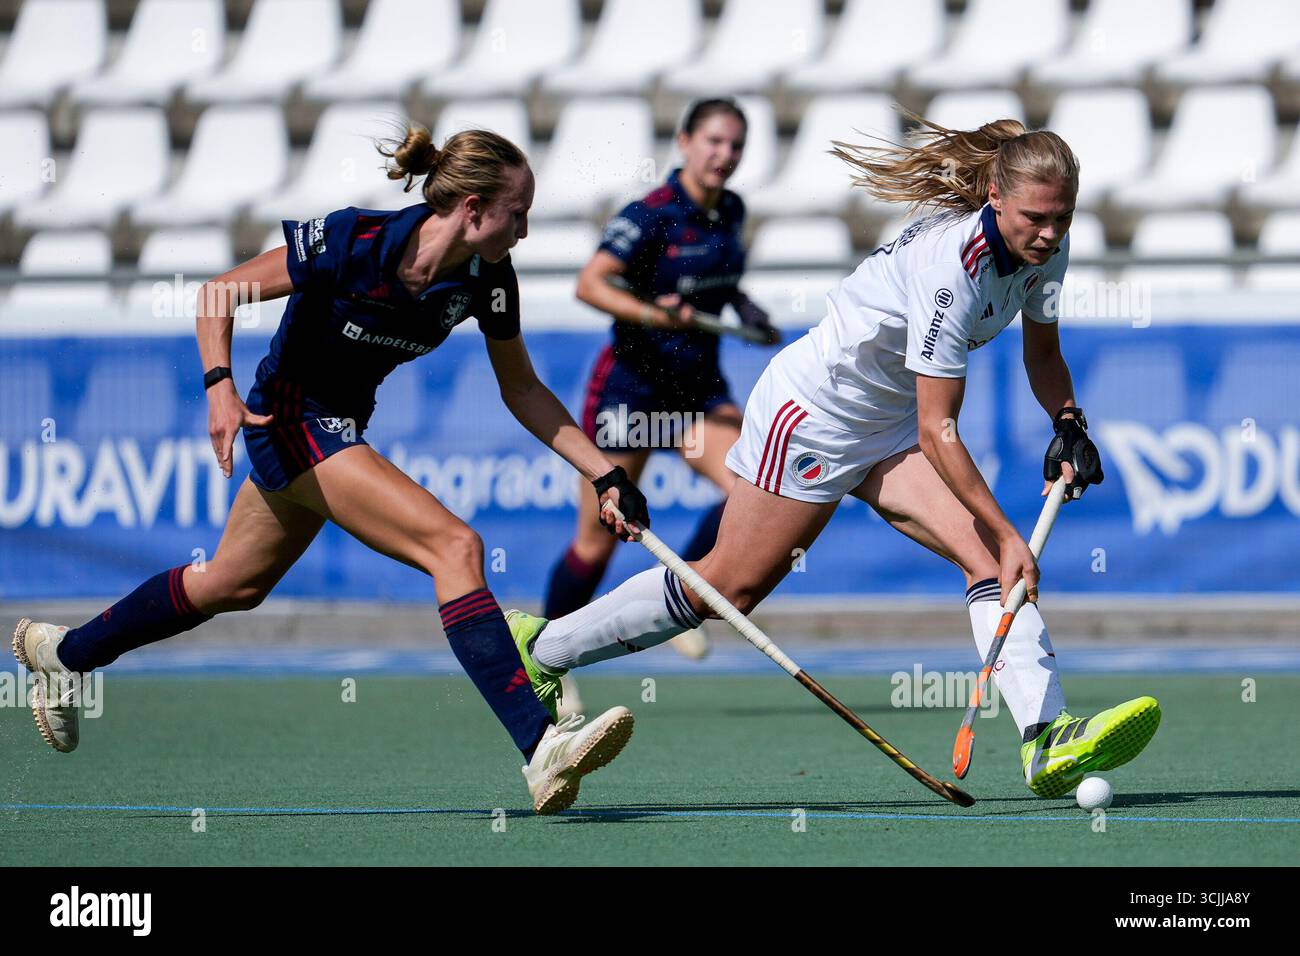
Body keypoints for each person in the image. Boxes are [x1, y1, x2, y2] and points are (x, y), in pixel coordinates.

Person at [506, 115, 1161, 799]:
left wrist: (1068, 422)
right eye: (1036, 217)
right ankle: (543, 647)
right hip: (814, 417)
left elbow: (1044, 350)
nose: (1051, 233)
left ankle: (1045, 741)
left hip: (891, 422)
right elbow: (943, 431)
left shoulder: (1044, 249)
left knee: (995, 563)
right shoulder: (952, 271)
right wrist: (1005, 530)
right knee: (731, 588)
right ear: (995, 195)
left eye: (1063, 217)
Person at [12, 125, 652, 816]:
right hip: (287, 422)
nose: (524, 230)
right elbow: (218, 294)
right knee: (456, 546)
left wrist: (604, 474)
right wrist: (219, 386)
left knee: (233, 584)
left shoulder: (488, 281)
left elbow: (522, 388)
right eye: (516, 212)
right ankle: (541, 748)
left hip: (336, 431)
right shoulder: (355, 240)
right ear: (471, 209)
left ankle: (63, 655)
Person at [542, 99, 779, 714]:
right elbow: (589, 283)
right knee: (596, 543)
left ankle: (688, 591)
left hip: (697, 393)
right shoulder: (649, 215)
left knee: (750, 491)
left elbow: (717, 285)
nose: (724, 156)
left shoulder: (731, 211)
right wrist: (653, 312)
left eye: (735, 146)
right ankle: (546, 658)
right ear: (684, 141)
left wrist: (744, 308)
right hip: (632, 390)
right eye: (714, 142)